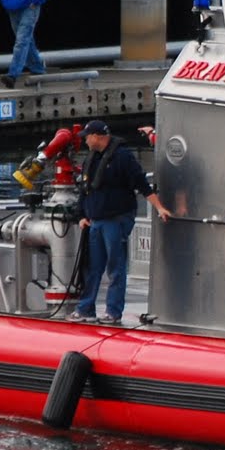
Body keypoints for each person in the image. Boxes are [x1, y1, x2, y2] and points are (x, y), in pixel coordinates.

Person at [71, 120, 172, 323]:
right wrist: (81, 215)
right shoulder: (92, 157)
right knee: (92, 268)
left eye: (87, 137)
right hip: (95, 220)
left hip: (116, 219)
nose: (85, 141)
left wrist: (159, 207)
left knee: (115, 268)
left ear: (97, 136)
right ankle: (85, 308)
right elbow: (85, 189)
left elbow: (141, 184)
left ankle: (113, 311)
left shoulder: (123, 157)